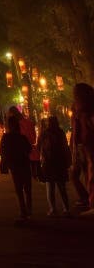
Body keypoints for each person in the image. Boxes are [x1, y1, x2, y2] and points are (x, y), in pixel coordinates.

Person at [37, 116, 72, 216]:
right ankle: (66, 209)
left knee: (50, 187)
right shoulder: (60, 132)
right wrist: (68, 161)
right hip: (59, 162)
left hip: (48, 163)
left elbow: (39, 147)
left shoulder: (44, 134)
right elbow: (65, 147)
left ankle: (53, 209)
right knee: (61, 187)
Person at [1, 114, 33, 221]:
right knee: (27, 188)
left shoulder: (6, 137)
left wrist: (5, 164)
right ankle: (29, 210)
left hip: (14, 165)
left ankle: (22, 210)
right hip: (24, 163)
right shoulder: (22, 137)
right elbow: (29, 149)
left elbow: (3, 152)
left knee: (18, 189)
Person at [71, 82, 94, 215]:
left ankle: (90, 201)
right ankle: (89, 200)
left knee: (90, 174)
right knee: (85, 174)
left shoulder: (86, 111)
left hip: (88, 144)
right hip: (83, 146)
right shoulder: (78, 111)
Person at [8, 106, 39, 178]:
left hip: (21, 149)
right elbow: (33, 136)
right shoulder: (28, 122)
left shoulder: (16, 125)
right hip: (29, 146)